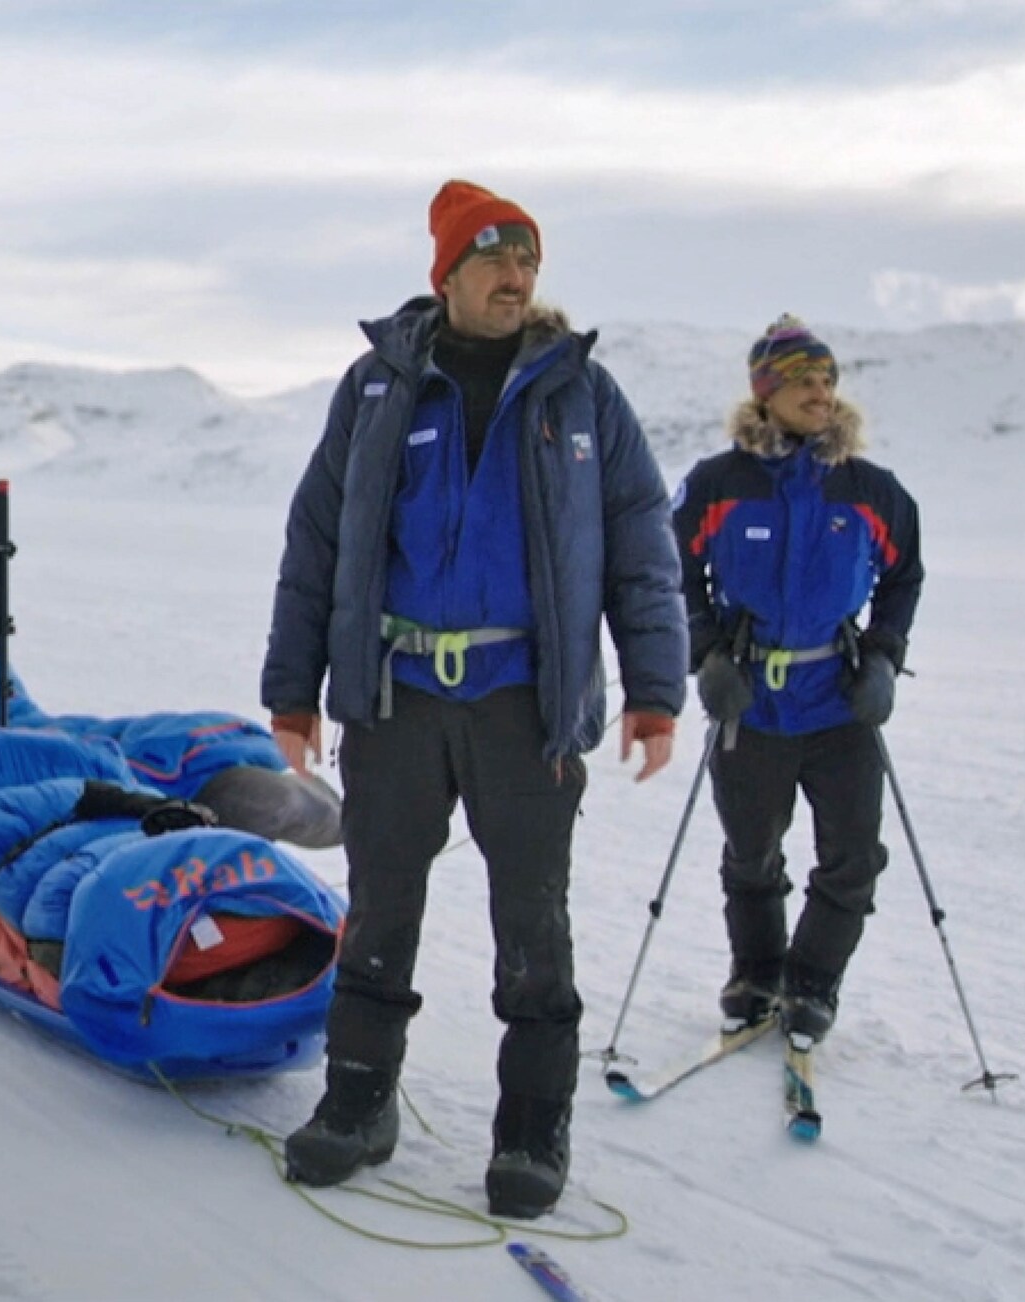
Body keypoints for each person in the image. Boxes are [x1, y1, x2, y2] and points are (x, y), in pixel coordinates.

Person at [258, 180, 686, 1218]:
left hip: (520, 704)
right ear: (442, 275)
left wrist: (654, 687)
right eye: (492, 261)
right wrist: (292, 688)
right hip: (397, 699)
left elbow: (639, 545)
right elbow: (316, 541)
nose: (515, 278)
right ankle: (357, 1107)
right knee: (378, 910)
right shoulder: (375, 388)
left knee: (531, 926)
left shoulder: (581, 395)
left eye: (527, 262)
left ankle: (532, 1132)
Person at [673, 316, 923, 1047]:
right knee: (752, 854)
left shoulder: (872, 490)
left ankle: (812, 983)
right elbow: (672, 573)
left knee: (852, 857)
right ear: (766, 394)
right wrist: (709, 655)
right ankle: (756, 974)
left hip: (839, 704)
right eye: (803, 381)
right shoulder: (717, 484)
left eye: (827, 379)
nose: (821, 393)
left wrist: (883, 657)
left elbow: (904, 577)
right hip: (749, 706)